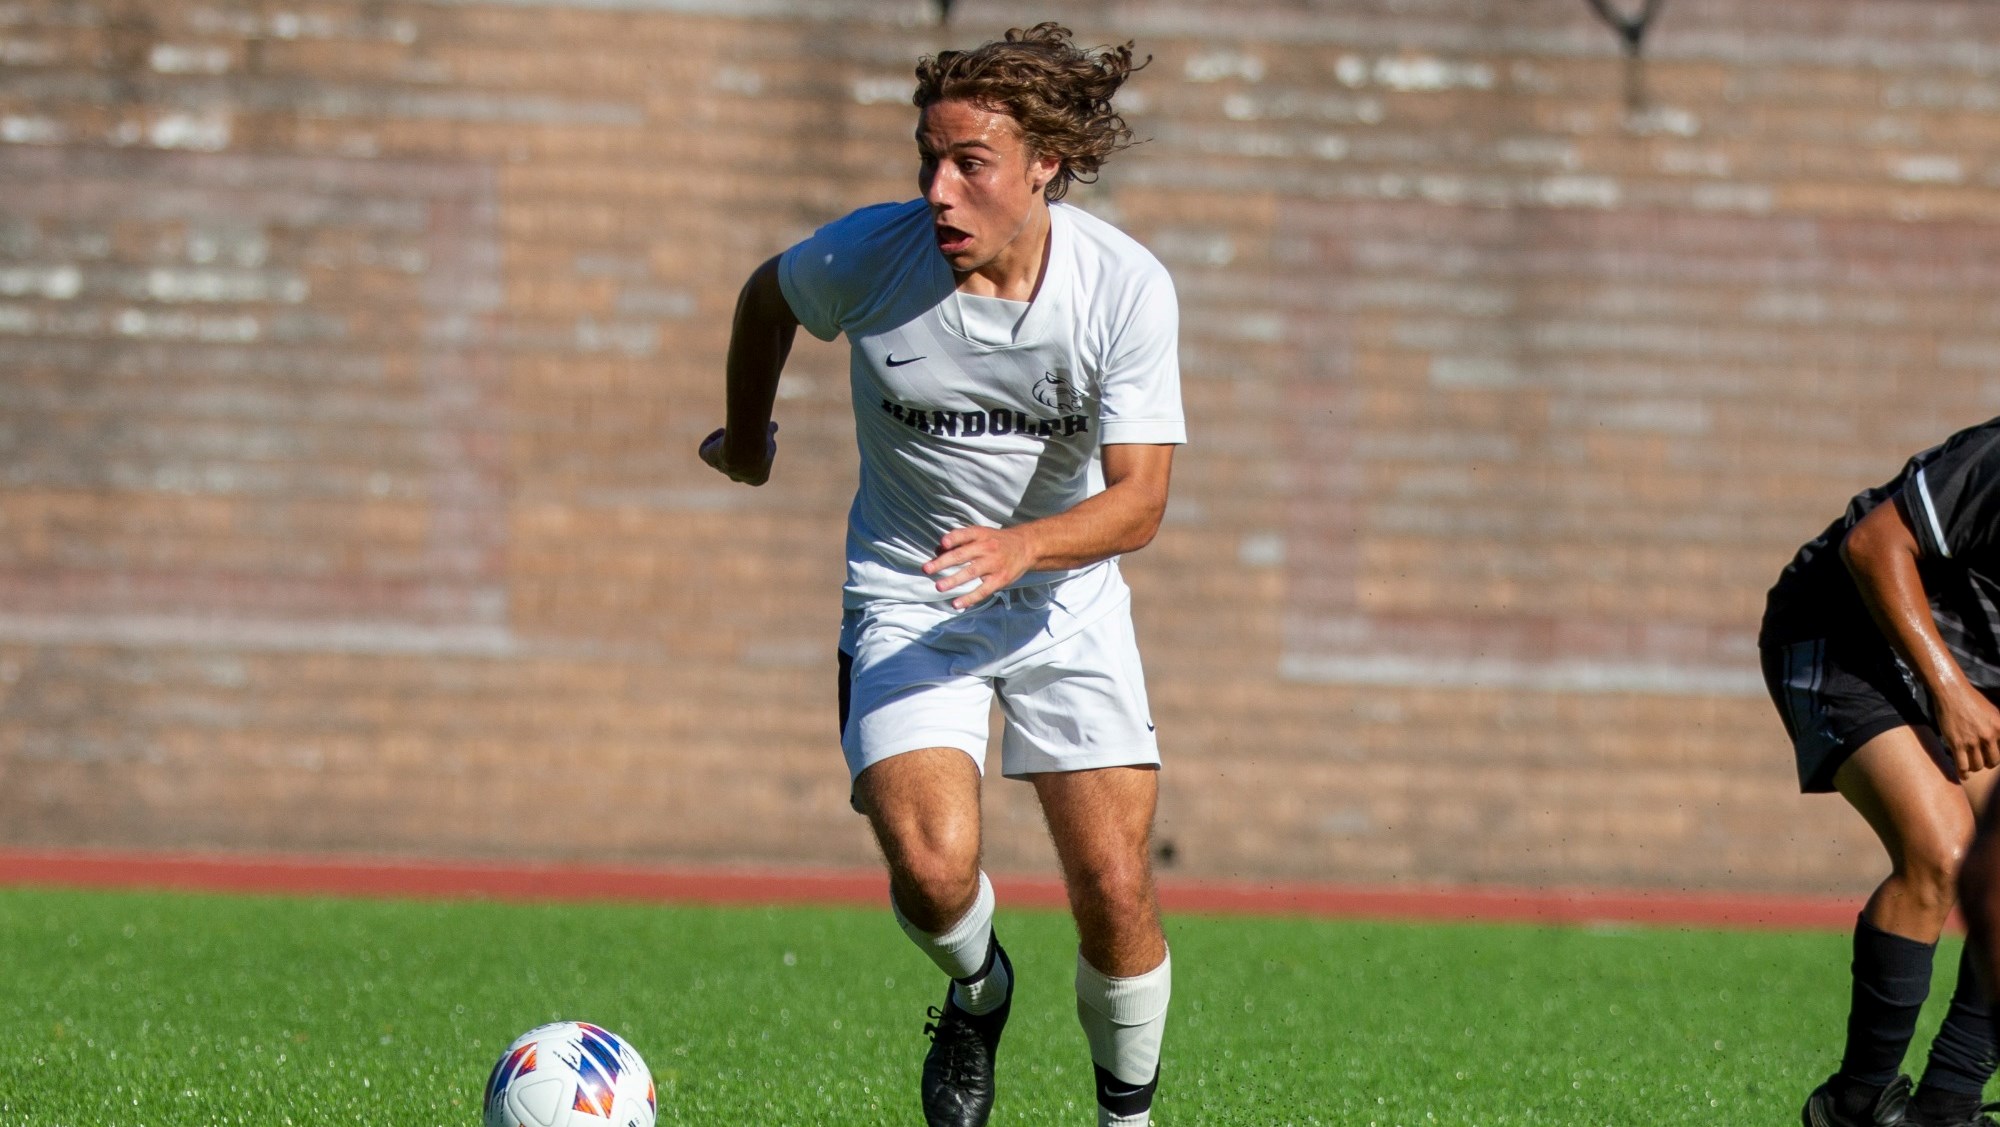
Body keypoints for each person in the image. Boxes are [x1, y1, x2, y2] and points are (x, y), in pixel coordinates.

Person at [698, 24, 1180, 1127]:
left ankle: (1126, 1117)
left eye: (970, 162)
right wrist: (746, 438)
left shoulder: (1122, 289)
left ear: (1043, 164)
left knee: (1113, 889)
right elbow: (765, 300)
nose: (939, 190)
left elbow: (1140, 499)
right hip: (907, 591)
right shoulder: (873, 257)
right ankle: (978, 989)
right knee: (929, 870)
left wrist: (1022, 545)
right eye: (928, 157)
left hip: (1062, 603)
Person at [1762, 418, 2000, 1127]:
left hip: (1968, 670)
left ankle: (1946, 1110)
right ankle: (1854, 1103)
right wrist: (1951, 692)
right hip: (1845, 629)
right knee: (1943, 852)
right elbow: (1874, 544)